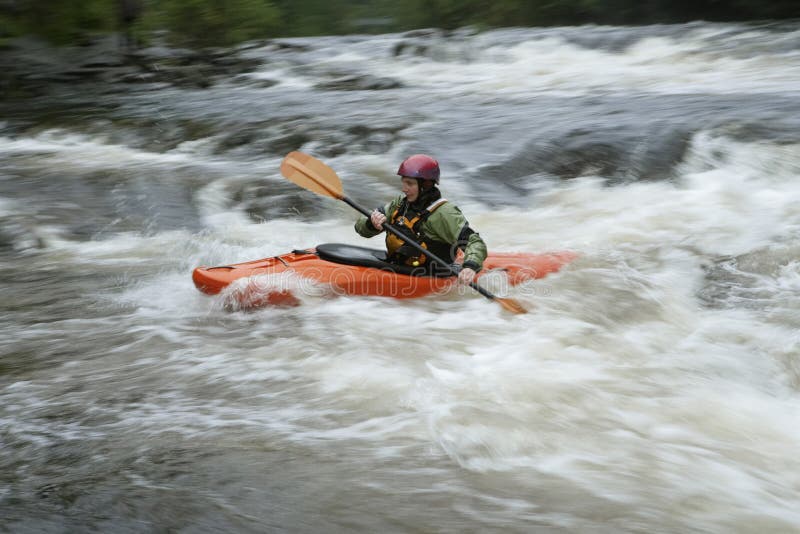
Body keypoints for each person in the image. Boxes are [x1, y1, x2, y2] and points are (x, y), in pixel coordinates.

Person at [354, 154, 487, 285]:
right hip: (399, 267)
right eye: (403, 182)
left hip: (433, 278)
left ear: (426, 185)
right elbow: (360, 228)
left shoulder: (444, 213)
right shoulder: (400, 204)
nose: (404, 188)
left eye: (409, 183)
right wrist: (371, 222)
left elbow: (475, 243)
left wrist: (470, 266)